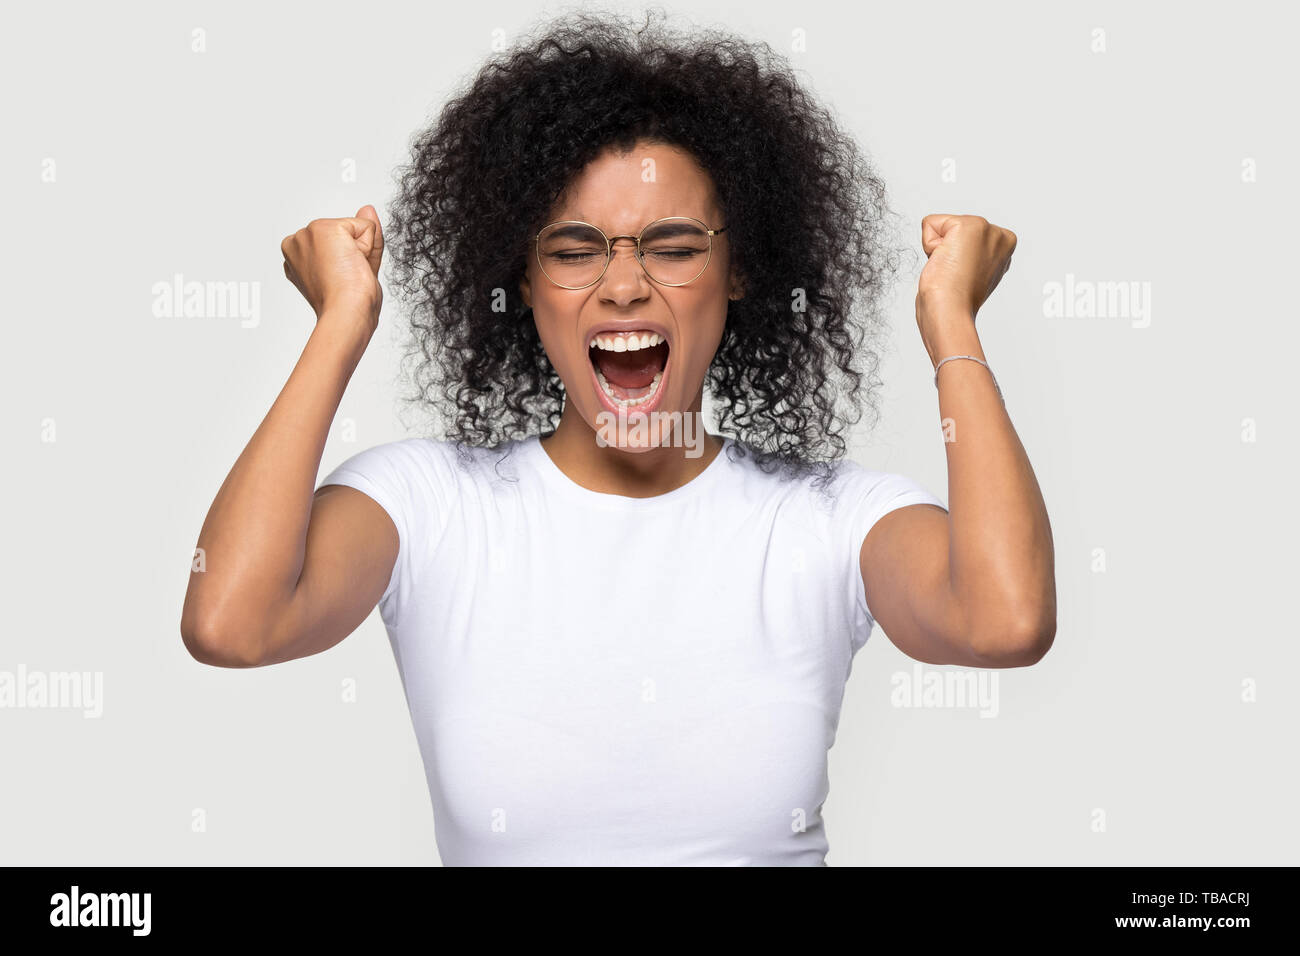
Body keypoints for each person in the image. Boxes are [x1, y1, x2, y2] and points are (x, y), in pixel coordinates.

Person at [180, 10, 1055, 866]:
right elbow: (232, 622)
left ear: (738, 269)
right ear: (521, 279)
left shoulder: (827, 520)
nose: (625, 285)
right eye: (573, 249)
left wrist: (951, 324)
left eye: (674, 246)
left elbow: (1004, 622)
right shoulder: (430, 505)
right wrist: (342, 321)